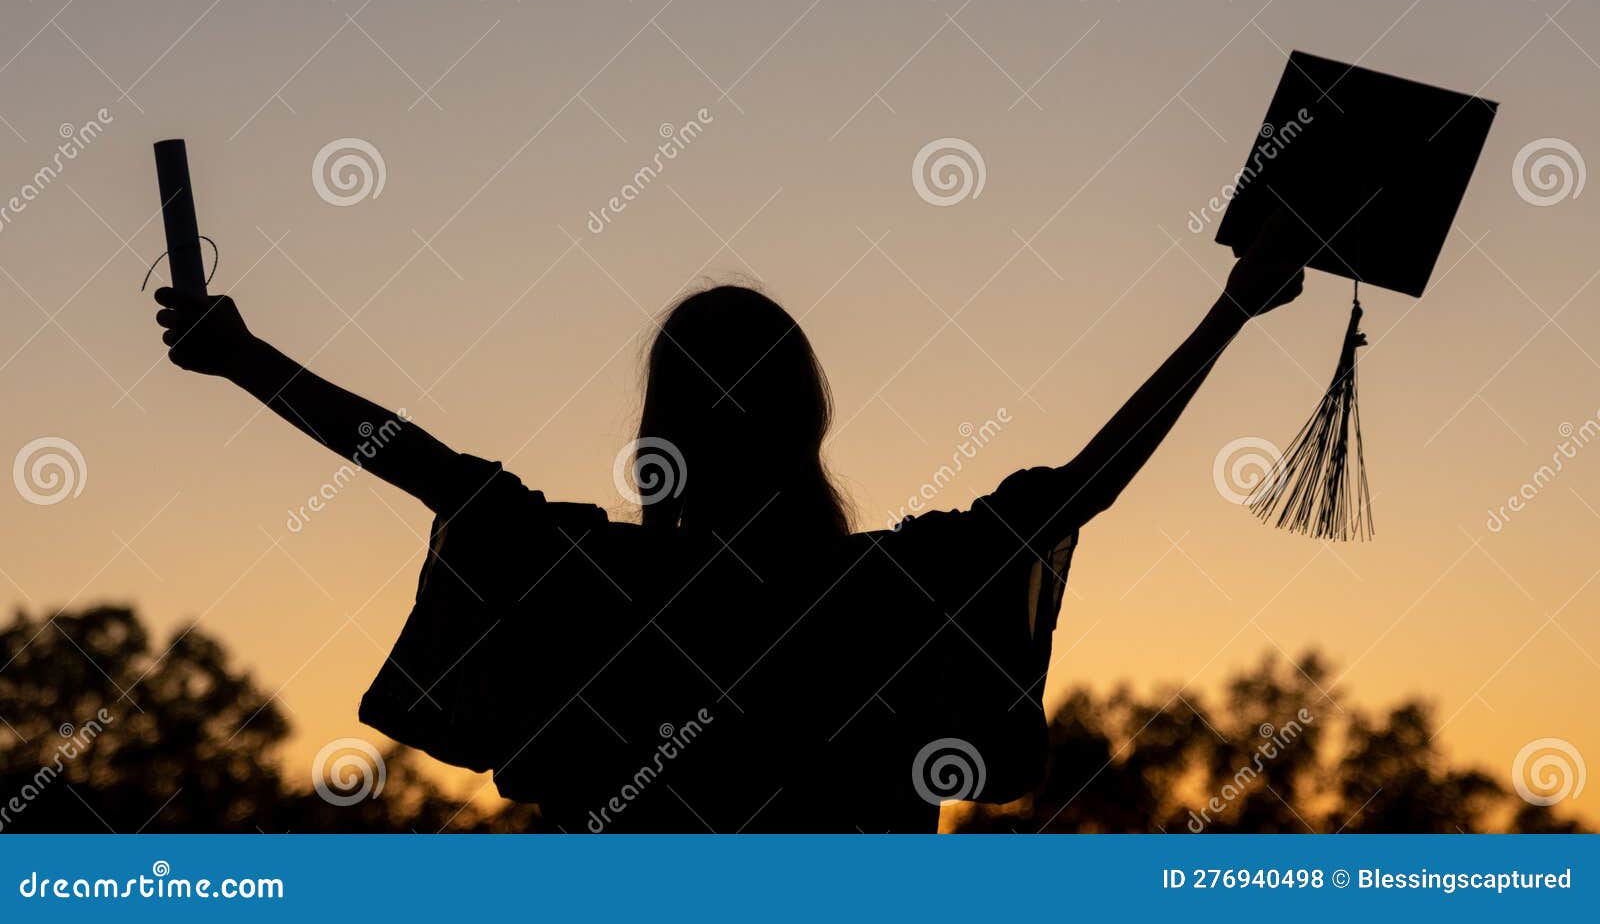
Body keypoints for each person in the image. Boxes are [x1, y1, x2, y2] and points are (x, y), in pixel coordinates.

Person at [153, 218, 1304, 831]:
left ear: (661, 432)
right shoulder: (890, 590)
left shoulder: (600, 582)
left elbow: (425, 468)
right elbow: (1081, 485)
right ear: (808, 420)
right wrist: (1230, 309)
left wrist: (243, 357)